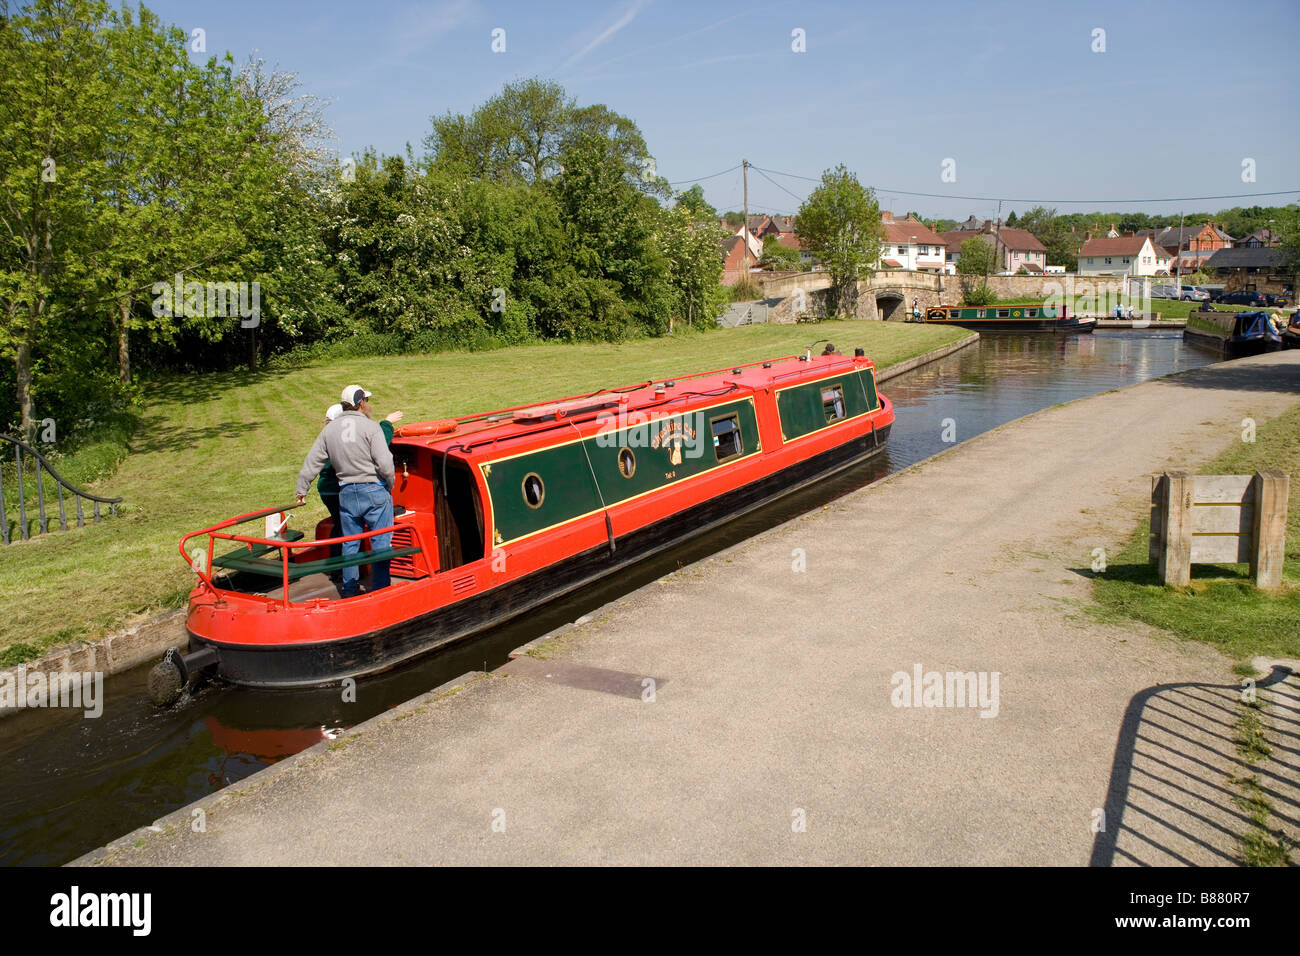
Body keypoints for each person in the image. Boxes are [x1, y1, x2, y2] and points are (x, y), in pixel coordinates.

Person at [296, 385, 401, 598]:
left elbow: (313, 460)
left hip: (346, 492)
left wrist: (302, 488)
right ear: (361, 403)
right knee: (381, 541)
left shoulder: (330, 429)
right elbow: (385, 462)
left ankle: (349, 589)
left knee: (350, 543)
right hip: (373, 489)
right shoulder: (371, 427)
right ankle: (381, 590)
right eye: (367, 401)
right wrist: (389, 482)